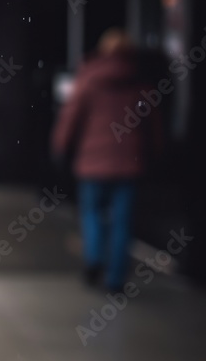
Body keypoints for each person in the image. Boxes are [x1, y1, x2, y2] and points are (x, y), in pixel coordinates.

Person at [52, 28, 164, 292]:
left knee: (91, 213)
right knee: (122, 221)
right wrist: (156, 155)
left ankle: (94, 259)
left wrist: (60, 147)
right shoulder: (140, 82)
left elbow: (71, 118)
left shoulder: (88, 78)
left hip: (93, 162)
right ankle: (115, 277)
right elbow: (154, 128)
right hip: (129, 164)